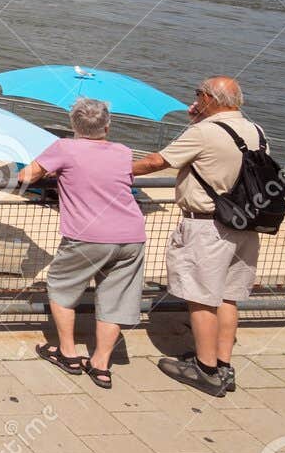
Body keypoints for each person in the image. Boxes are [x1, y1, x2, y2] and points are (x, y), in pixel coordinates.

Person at [131, 75, 263, 397]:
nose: (195, 98)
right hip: (245, 226)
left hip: (207, 227)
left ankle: (205, 370)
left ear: (209, 98)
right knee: (228, 297)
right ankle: (223, 365)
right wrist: (199, 120)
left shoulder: (203, 132)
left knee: (202, 298)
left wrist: (111, 168)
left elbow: (156, 161)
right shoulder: (256, 131)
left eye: (198, 94)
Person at [17, 98, 146, 390]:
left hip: (88, 235)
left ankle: (68, 353)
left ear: (74, 125)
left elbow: (26, 176)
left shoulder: (64, 148)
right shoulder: (124, 152)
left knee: (61, 285)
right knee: (115, 298)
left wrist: (53, 171)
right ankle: (101, 365)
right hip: (131, 234)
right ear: (107, 126)